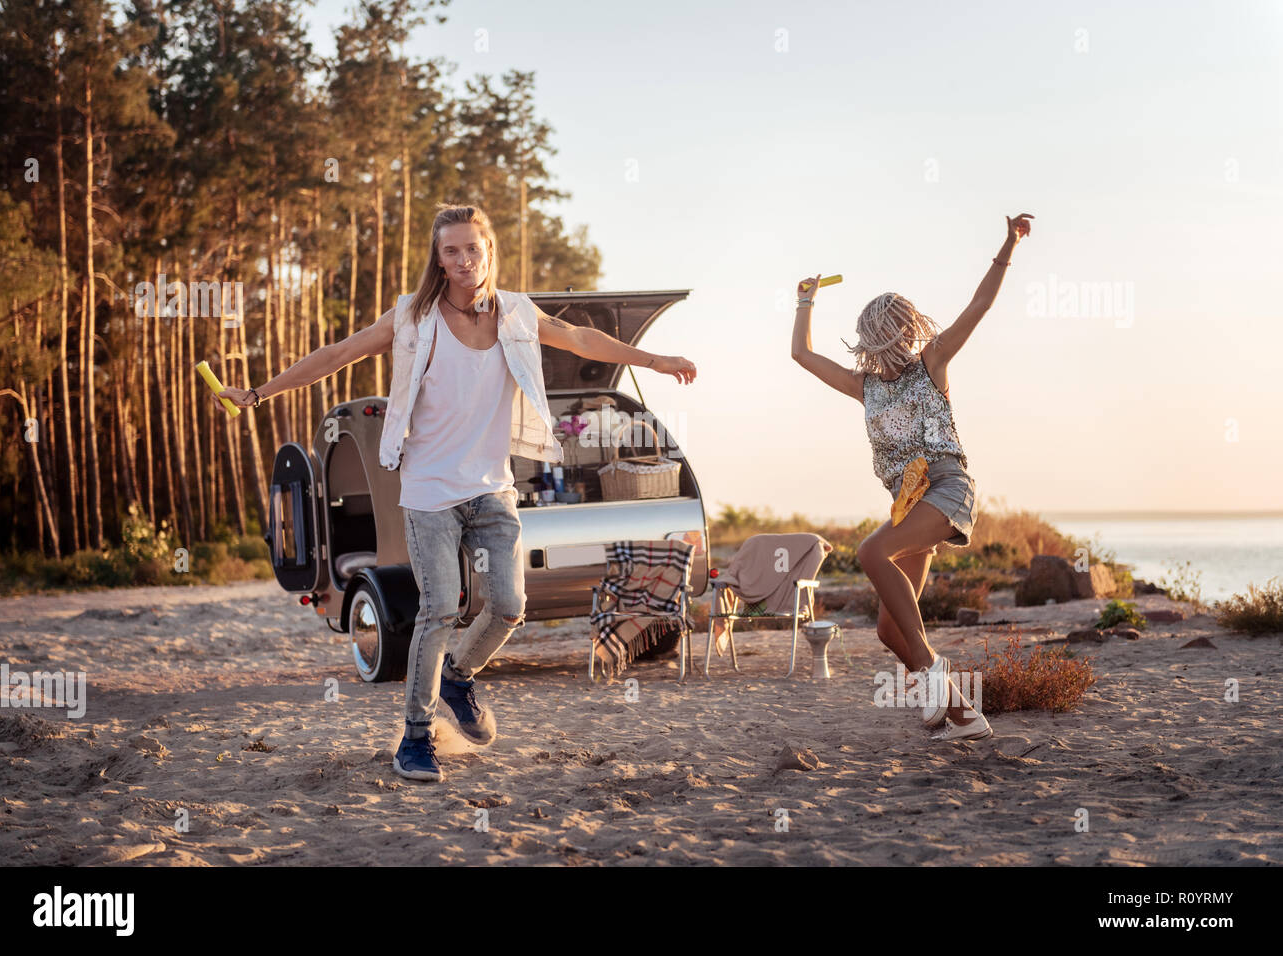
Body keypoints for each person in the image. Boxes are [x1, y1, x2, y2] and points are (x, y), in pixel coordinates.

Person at [215, 203, 698, 781]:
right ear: (438, 260)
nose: (465, 260)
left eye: (473, 248)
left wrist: (656, 360)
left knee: (509, 606)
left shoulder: (516, 314)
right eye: (452, 251)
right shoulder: (413, 318)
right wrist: (261, 392)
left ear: (489, 251)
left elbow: (580, 339)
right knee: (439, 608)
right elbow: (337, 353)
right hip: (428, 491)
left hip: (493, 488)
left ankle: (458, 678)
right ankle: (415, 739)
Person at [790, 213, 1034, 742]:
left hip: (948, 487)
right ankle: (967, 717)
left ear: (907, 329)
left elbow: (980, 306)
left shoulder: (933, 363)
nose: (894, 337)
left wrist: (1006, 245)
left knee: (871, 554)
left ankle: (929, 673)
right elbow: (802, 354)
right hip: (908, 504)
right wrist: (805, 300)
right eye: (884, 330)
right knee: (886, 628)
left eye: (899, 327)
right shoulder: (865, 388)